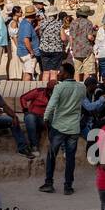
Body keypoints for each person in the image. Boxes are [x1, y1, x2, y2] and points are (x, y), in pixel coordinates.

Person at [39, 61, 84, 195]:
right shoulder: (82, 88)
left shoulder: (59, 88)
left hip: (58, 126)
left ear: (67, 73)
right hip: (74, 127)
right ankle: (68, 186)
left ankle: (49, 183)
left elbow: (51, 106)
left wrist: (45, 118)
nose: (59, 74)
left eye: (61, 71)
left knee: (52, 155)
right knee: (70, 158)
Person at [35, 5, 67, 88]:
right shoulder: (59, 24)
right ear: (56, 14)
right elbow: (63, 38)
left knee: (45, 71)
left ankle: (43, 89)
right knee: (53, 72)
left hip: (44, 49)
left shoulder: (42, 23)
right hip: (56, 50)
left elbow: (40, 34)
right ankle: (52, 90)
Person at [18, 82, 51, 154]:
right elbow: (23, 98)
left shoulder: (58, 95)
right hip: (33, 115)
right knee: (29, 118)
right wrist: (25, 110)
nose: (51, 92)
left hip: (45, 118)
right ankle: (34, 146)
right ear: (47, 89)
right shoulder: (39, 91)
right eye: (50, 90)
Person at [70, 5, 97, 75]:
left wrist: (72, 47)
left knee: (77, 72)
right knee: (87, 72)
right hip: (86, 50)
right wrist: (94, 37)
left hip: (76, 50)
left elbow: (71, 36)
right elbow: (89, 37)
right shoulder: (88, 23)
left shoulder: (73, 22)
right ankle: (86, 86)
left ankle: (76, 86)